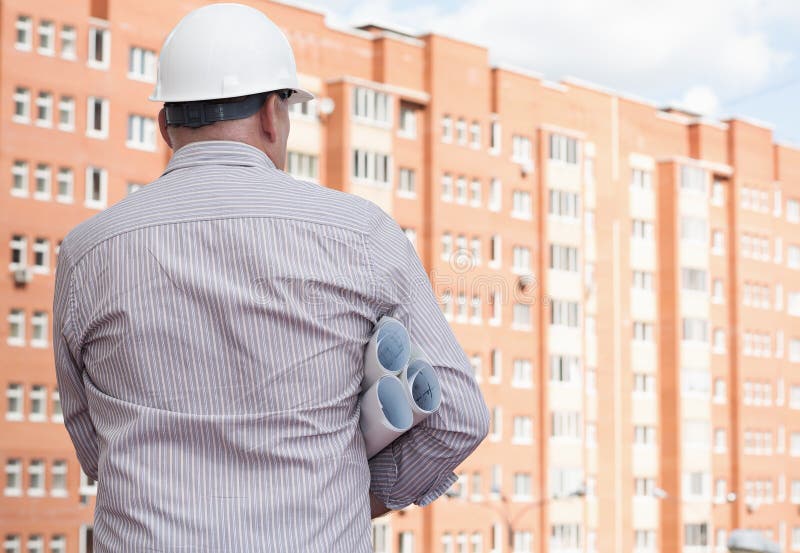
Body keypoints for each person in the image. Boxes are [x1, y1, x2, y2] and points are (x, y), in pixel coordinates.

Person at [52, 3, 489, 552]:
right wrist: (349, 492)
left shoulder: (88, 252)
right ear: (271, 114)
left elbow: (93, 443)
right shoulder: (362, 235)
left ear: (165, 125)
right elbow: (457, 419)